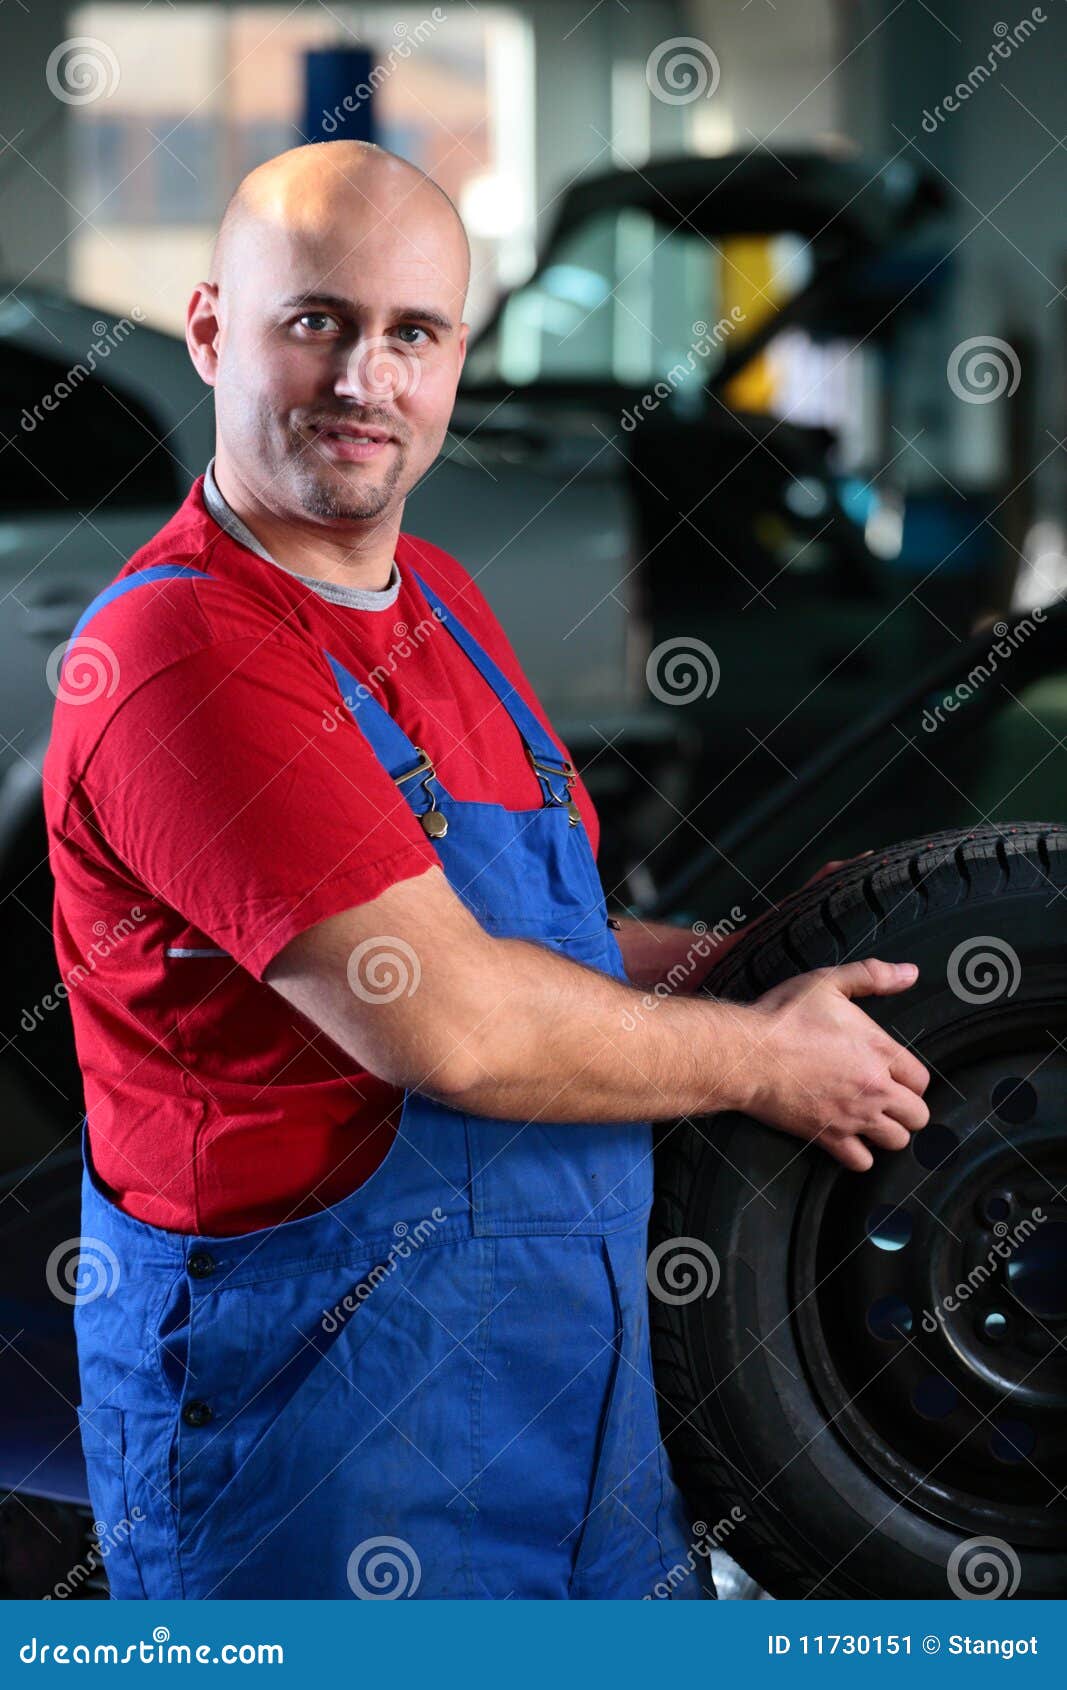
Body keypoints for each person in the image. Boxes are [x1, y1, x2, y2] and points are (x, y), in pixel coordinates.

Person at [43, 140, 930, 1600]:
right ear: (211, 330)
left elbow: (539, 940)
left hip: (577, 1448)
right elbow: (449, 1017)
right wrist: (764, 1059)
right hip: (317, 1476)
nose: (364, 381)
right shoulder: (175, 657)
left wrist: (762, 954)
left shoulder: (441, 606)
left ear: (459, 353)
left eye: (414, 333)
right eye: (315, 320)